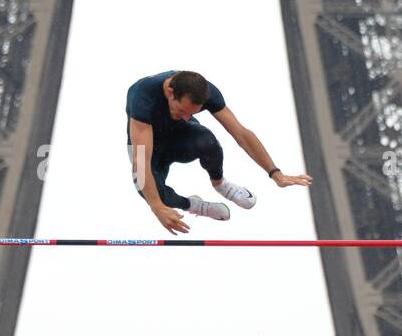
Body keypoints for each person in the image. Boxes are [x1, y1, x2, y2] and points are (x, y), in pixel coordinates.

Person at [125, 70, 313, 234]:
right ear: (169, 92)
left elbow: (241, 134)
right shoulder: (143, 95)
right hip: (148, 149)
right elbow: (141, 159)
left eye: (192, 113)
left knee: (207, 142)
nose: (186, 116)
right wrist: (157, 207)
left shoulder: (207, 92)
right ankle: (195, 205)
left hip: (180, 137)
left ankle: (221, 184)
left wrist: (275, 173)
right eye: (182, 110)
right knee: (152, 194)